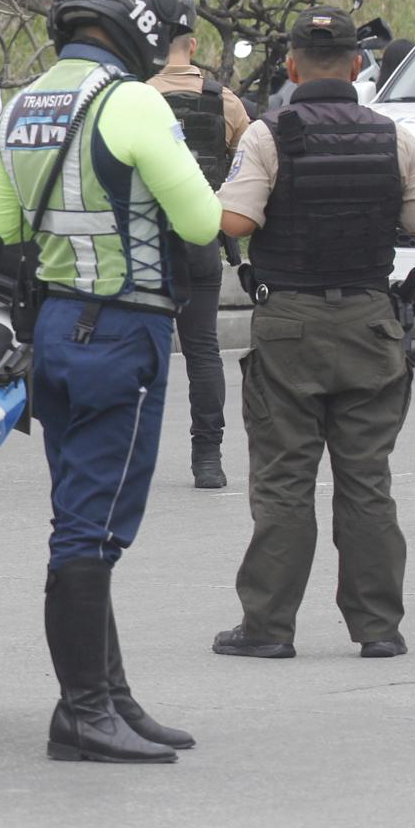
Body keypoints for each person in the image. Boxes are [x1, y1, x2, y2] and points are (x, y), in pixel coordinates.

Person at [0, 0, 220, 764]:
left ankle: (109, 697)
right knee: (92, 533)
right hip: (124, 334)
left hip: (54, 335)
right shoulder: (132, 103)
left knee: (78, 517)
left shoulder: (18, 107)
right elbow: (200, 224)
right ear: (142, 22)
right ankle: (82, 713)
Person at [210, 7, 415, 661]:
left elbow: (234, 221)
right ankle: (378, 627)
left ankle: (267, 627)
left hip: (289, 323)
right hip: (370, 321)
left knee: (285, 478)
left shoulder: (268, 135)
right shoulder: (391, 136)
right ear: (357, 65)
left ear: (289, 65)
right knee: (366, 479)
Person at [149, 28, 251, 487]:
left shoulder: (135, 98)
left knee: (136, 352)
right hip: (201, 239)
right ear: (193, 45)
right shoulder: (226, 100)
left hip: (145, 244)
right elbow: (247, 165)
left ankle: (128, 453)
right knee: (203, 352)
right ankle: (207, 457)